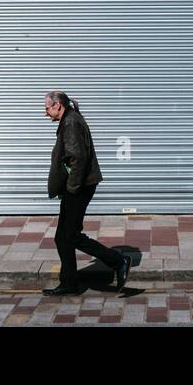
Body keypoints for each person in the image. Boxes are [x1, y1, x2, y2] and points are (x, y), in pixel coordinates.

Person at [42, 89, 131, 296]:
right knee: (61, 237)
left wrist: (72, 188)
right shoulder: (69, 120)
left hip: (79, 187)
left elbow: (78, 158)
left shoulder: (71, 122)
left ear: (58, 106)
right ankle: (69, 283)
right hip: (76, 186)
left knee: (71, 236)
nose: (45, 112)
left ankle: (118, 261)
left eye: (47, 108)